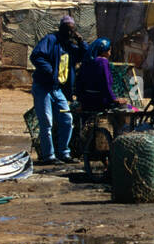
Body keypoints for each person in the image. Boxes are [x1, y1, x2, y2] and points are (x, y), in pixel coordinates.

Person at [30, 15, 85, 164]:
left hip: (57, 89)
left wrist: (81, 41)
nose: (69, 33)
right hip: (43, 87)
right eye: (67, 29)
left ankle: (64, 153)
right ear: (61, 29)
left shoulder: (69, 46)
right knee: (46, 123)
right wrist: (49, 71)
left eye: (72, 30)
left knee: (67, 119)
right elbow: (36, 56)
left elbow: (85, 55)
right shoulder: (51, 40)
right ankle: (49, 156)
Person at [75, 38, 126, 112]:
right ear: (103, 51)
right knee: (127, 107)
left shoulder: (87, 62)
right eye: (109, 51)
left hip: (86, 101)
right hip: (99, 101)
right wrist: (114, 99)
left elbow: (79, 83)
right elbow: (106, 83)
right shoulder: (103, 61)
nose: (110, 53)